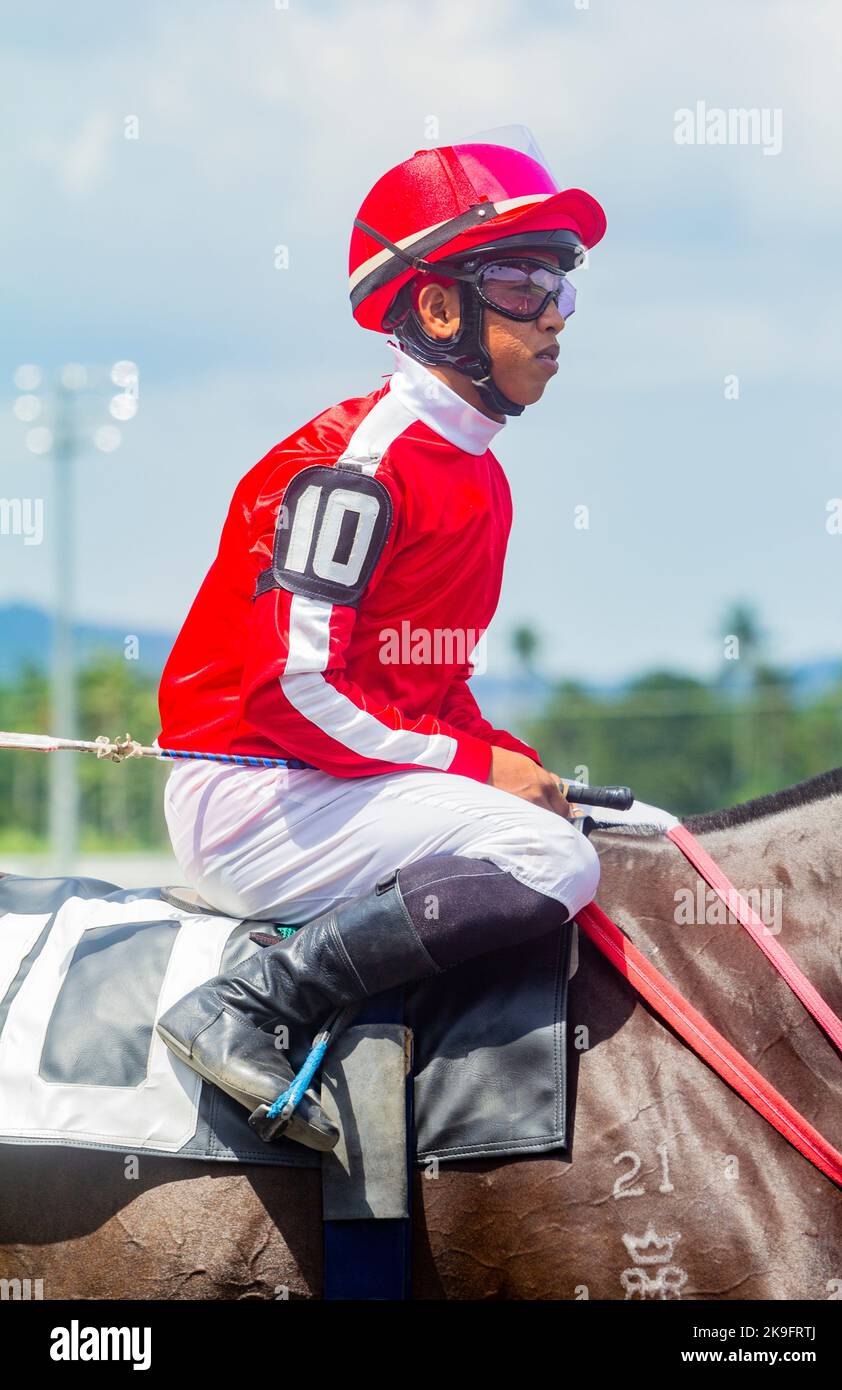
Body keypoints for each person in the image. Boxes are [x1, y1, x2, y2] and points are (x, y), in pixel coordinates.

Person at [155, 137, 606, 1151]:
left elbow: (428, 689)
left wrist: (509, 759)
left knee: (599, 831)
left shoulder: (477, 475)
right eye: (520, 283)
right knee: (548, 857)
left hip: (344, 781)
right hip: (260, 790)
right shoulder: (352, 469)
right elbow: (292, 690)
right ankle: (251, 1005)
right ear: (437, 309)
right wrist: (474, 767)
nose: (551, 317)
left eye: (560, 290)